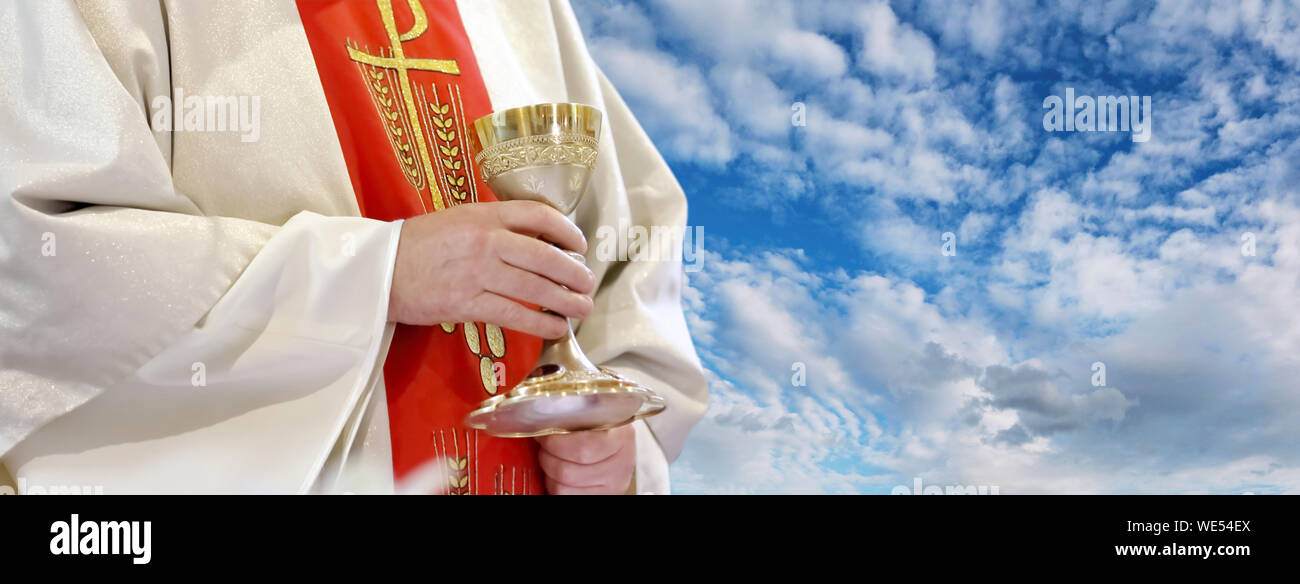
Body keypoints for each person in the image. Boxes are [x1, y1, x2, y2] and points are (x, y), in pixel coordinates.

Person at [0, 0, 708, 495]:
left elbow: (629, 250)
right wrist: (374, 275)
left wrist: (618, 454)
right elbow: (36, 259)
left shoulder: (526, 12)